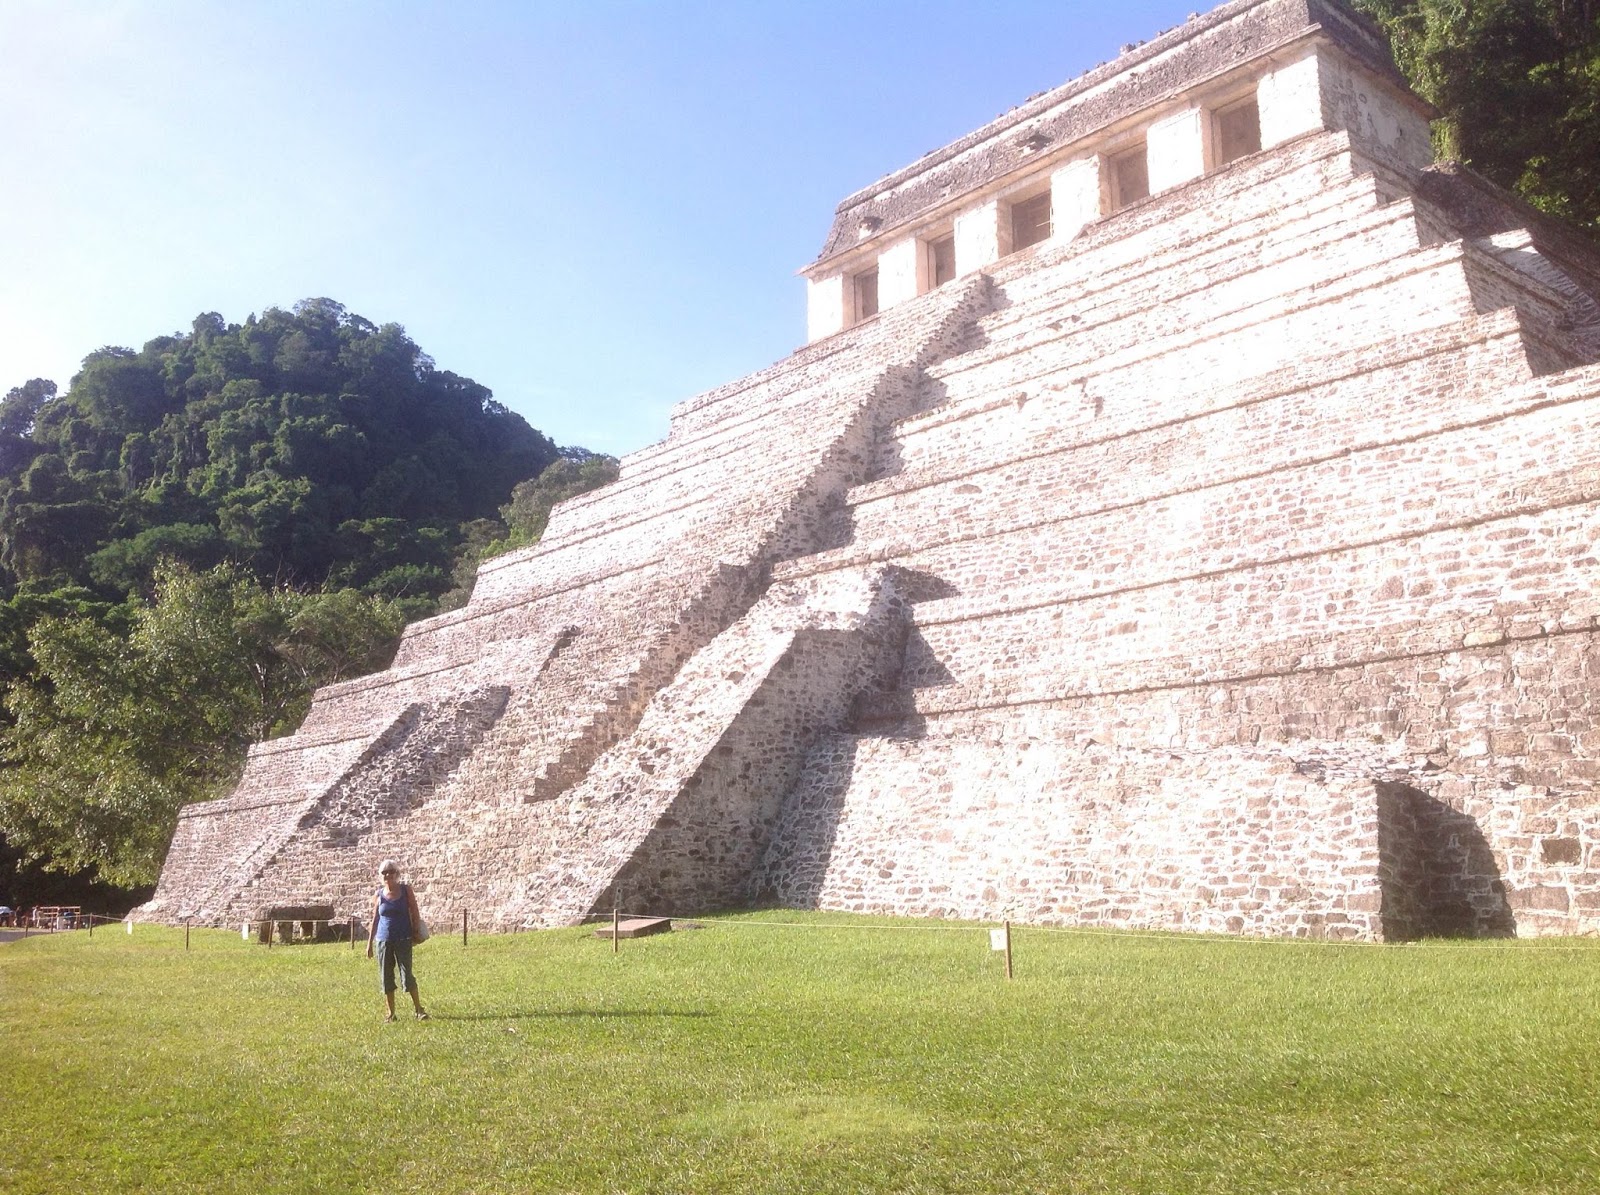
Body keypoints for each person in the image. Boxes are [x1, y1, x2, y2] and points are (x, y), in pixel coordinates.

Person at [365, 859, 429, 1022]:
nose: (388, 875)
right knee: (386, 977)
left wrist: (415, 929)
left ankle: (419, 1009)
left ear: (397, 873)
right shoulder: (379, 894)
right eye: (384, 872)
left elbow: (414, 910)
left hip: (403, 938)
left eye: (391, 871)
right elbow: (375, 918)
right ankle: (391, 1013)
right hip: (383, 940)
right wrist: (369, 944)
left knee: (407, 975)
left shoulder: (406, 890)